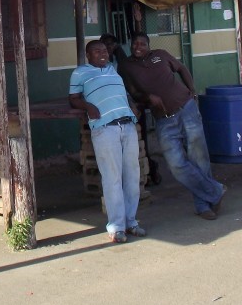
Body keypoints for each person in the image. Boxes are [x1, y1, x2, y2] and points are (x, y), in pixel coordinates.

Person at [119, 33, 226, 220]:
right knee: (176, 164)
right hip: (164, 119)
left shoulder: (161, 54)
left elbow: (182, 69)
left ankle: (203, 205)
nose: (138, 47)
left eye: (142, 44)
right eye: (135, 43)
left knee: (199, 158)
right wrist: (147, 98)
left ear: (148, 46)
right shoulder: (126, 66)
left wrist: (192, 89)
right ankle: (215, 191)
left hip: (187, 109)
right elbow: (133, 92)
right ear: (130, 44)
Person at [69, 40, 145, 243]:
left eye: (104, 50)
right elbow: (73, 98)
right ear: (88, 55)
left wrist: (131, 105)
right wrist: (88, 107)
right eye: (96, 51)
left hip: (127, 125)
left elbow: (123, 92)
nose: (102, 53)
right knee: (112, 178)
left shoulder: (112, 70)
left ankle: (131, 221)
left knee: (132, 176)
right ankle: (116, 226)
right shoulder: (80, 72)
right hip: (105, 128)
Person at [100, 32, 162, 186]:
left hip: (129, 107)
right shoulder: (101, 64)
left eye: (111, 44)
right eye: (105, 44)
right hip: (111, 110)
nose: (108, 47)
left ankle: (149, 171)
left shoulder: (123, 63)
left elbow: (126, 87)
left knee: (140, 145)